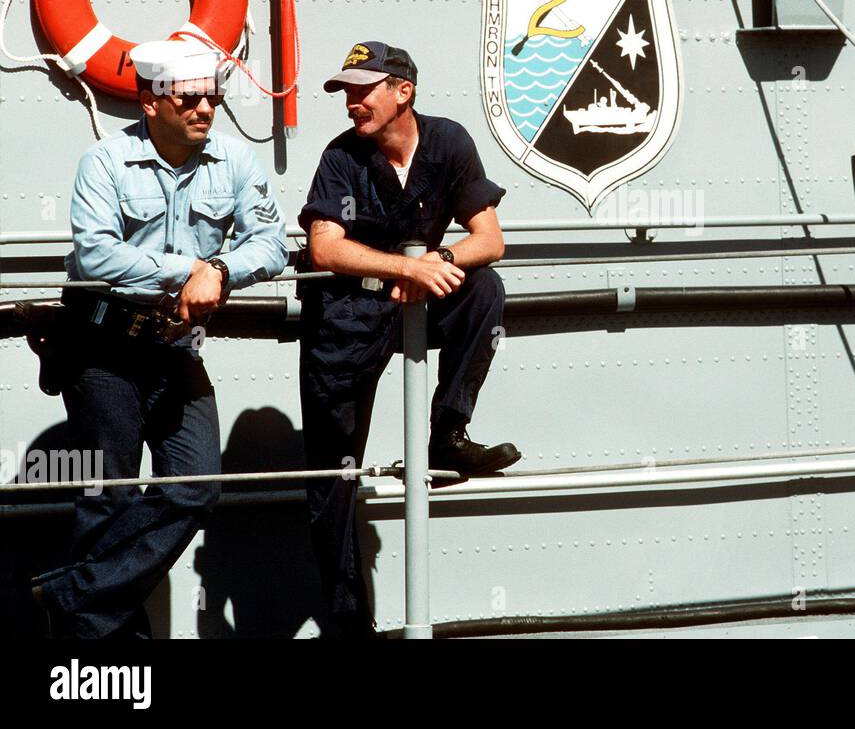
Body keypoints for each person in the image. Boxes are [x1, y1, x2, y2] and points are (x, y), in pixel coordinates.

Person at [13, 39, 288, 639]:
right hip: (102, 346)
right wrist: (187, 268)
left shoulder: (235, 162)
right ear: (151, 101)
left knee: (195, 483)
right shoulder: (105, 163)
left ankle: (68, 597)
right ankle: (104, 653)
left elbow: (273, 242)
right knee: (106, 497)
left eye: (212, 97)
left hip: (173, 346)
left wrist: (219, 271)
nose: (205, 109)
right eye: (189, 98)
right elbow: (93, 252)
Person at [298, 40, 517, 638]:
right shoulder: (341, 158)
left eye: (362, 90)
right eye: (345, 92)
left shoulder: (447, 142)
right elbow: (324, 247)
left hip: (410, 307)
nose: (351, 104)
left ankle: (446, 431)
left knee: (484, 289)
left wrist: (437, 260)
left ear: (403, 91)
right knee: (333, 478)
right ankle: (347, 625)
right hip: (342, 321)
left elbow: (489, 238)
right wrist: (407, 268)